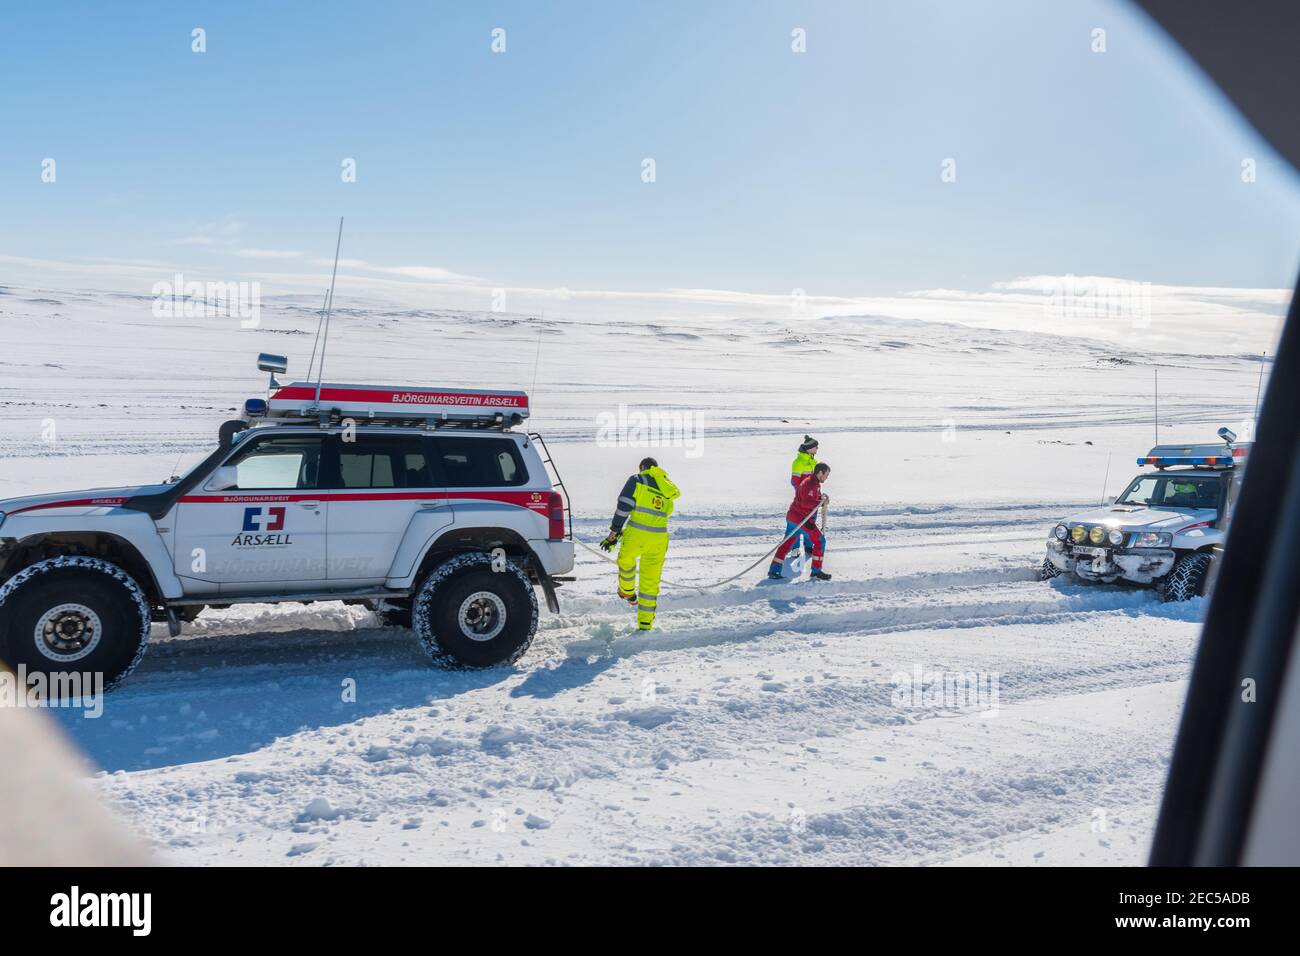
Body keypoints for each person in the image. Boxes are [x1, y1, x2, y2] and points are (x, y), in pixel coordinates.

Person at [600, 457, 680, 630]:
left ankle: (628, 593)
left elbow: (624, 507)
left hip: (637, 536)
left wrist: (614, 532)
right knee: (650, 583)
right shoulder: (667, 488)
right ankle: (645, 624)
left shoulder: (637, 479)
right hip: (659, 539)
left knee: (626, 563)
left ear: (643, 467)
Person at [769, 462, 831, 581]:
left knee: (786, 544)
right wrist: (821, 502)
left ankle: (774, 570)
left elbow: (808, 498)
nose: (826, 478)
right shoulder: (811, 484)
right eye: (826, 475)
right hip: (801, 520)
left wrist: (820, 498)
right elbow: (806, 503)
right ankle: (816, 571)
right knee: (820, 541)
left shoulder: (812, 482)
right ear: (820, 473)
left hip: (793, 518)